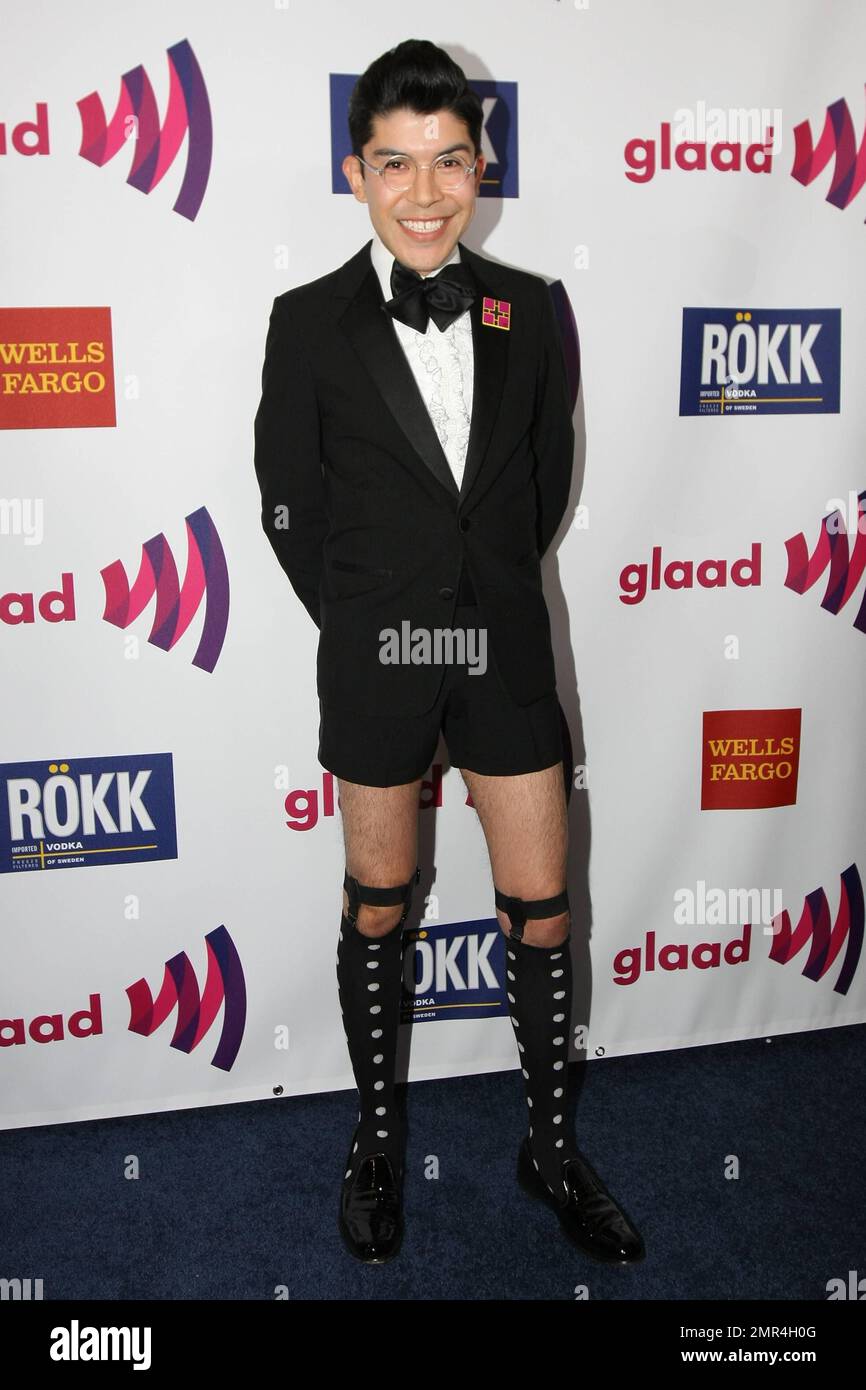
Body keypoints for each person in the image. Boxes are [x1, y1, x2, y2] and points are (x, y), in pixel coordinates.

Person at [253, 38, 644, 1268]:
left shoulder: (533, 308)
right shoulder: (305, 320)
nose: (423, 195)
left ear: (480, 164)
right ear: (354, 172)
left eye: (448, 162)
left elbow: (544, 486)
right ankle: (376, 1143)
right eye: (394, 166)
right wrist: (369, 622)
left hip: (504, 647)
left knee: (539, 906)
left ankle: (546, 1145)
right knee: (381, 903)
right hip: (376, 653)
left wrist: (479, 605)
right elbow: (286, 504)